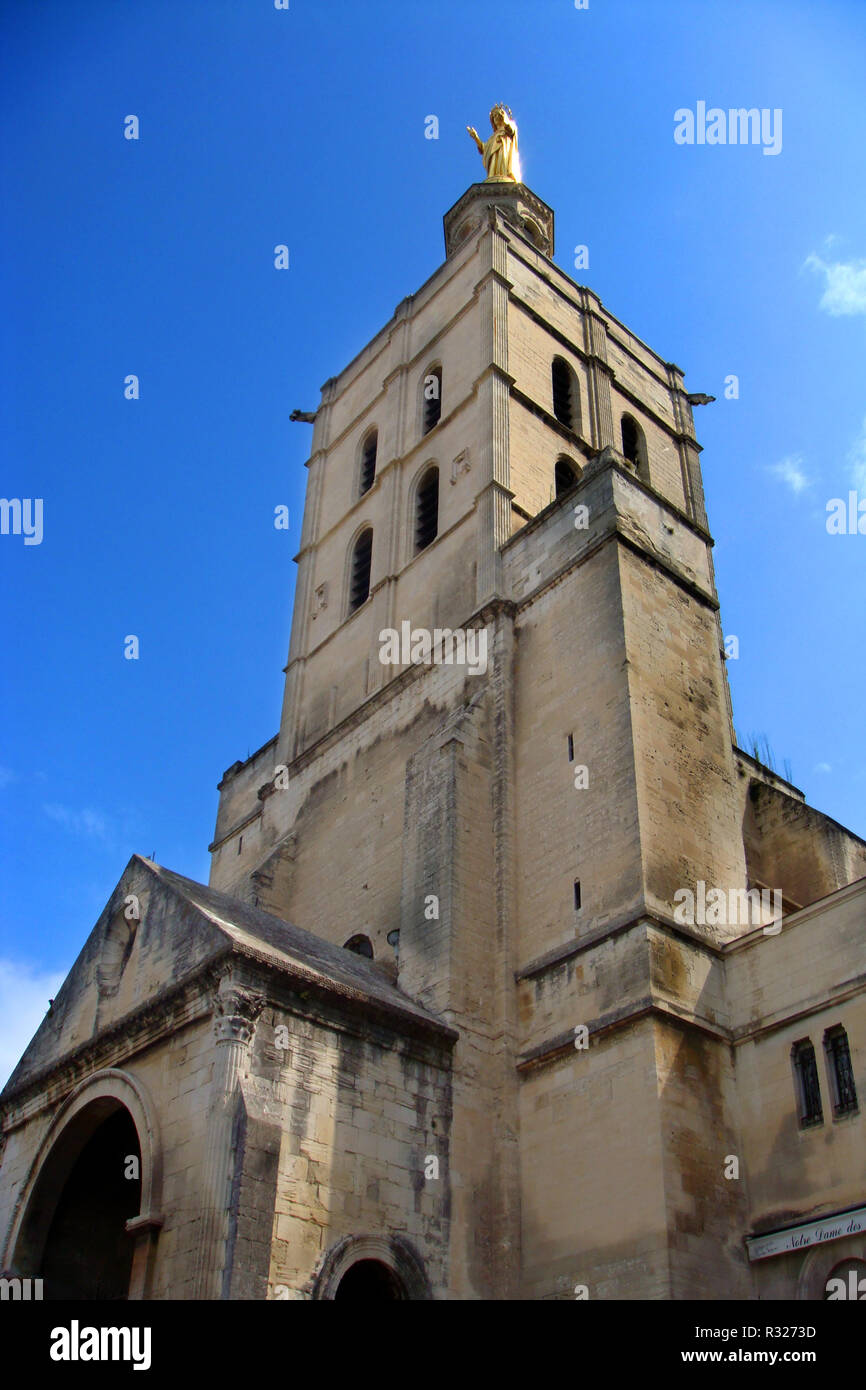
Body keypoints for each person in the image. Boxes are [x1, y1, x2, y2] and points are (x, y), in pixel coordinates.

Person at [467, 106, 520, 183]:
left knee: (503, 162)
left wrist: (506, 122)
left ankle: (504, 175)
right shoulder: (493, 137)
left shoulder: (509, 126)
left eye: (497, 115)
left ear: (503, 116)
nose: (496, 117)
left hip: (504, 150)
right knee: (493, 165)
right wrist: (476, 137)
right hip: (493, 157)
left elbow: (512, 131)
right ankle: (493, 176)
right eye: (494, 116)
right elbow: (484, 148)